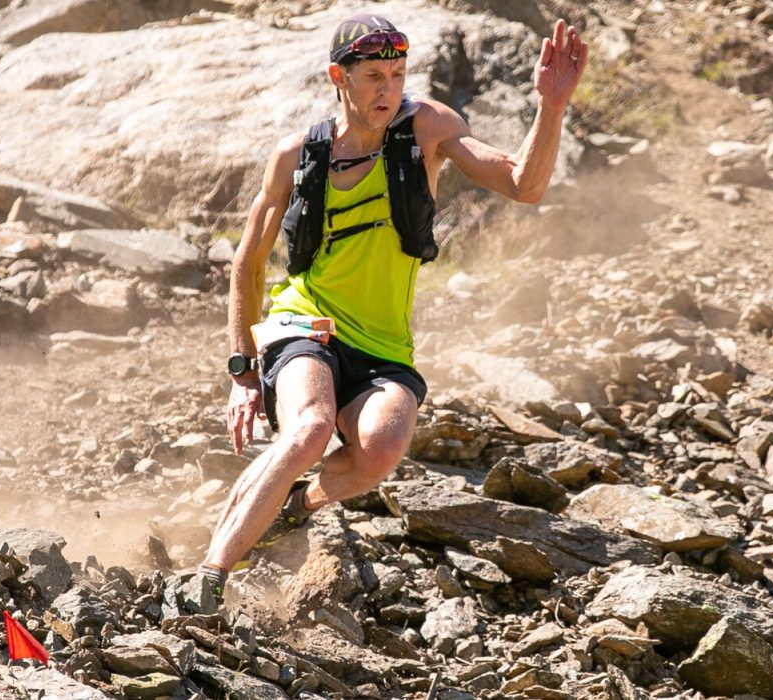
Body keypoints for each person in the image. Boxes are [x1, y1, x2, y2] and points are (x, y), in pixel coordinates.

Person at [183, 13, 588, 610]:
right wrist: (243, 372)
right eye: (372, 75)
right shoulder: (296, 155)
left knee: (380, 448)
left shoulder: (427, 128)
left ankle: (293, 507)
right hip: (304, 323)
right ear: (336, 77)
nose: (387, 89)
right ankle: (209, 577)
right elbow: (248, 262)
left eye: (397, 74)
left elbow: (523, 186)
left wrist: (550, 107)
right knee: (312, 427)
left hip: (383, 345)